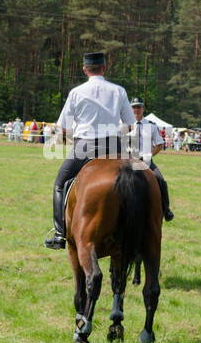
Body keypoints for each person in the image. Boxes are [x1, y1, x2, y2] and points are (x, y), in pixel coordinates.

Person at [43, 51, 136, 250]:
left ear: (85, 70)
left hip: (84, 146)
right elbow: (130, 124)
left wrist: (72, 140)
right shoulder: (119, 91)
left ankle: (60, 234)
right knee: (138, 181)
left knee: (60, 184)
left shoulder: (76, 92)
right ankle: (140, 232)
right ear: (104, 67)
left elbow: (65, 127)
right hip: (113, 147)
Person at [131, 97, 174, 222]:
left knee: (160, 179)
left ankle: (166, 209)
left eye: (139, 107)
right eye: (134, 107)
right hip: (128, 161)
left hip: (146, 161)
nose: (136, 110)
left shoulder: (151, 126)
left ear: (143, 109)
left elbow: (159, 144)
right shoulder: (124, 126)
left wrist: (148, 155)